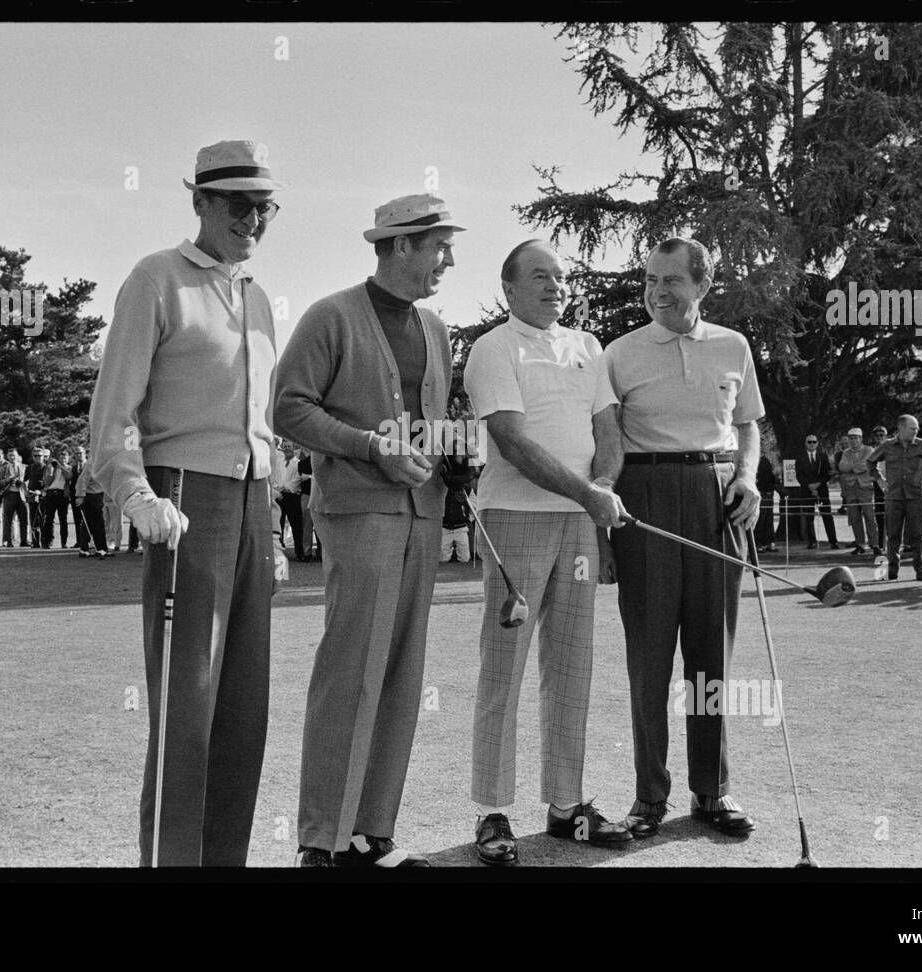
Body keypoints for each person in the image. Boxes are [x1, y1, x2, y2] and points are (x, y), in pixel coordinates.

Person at [88, 139, 286, 867]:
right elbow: (114, 410)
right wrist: (133, 491)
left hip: (253, 504)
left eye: (264, 205)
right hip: (182, 502)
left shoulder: (258, 295)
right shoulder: (156, 280)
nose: (252, 218)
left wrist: (271, 526)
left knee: (243, 716)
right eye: (237, 203)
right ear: (199, 201)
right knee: (186, 713)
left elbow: (259, 424)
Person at [275, 192, 462, 868]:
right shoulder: (330, 317)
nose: (448, 257)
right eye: (439, 244)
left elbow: (429, 421)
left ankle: (370, 834)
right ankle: (320, 839)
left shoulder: (437, 328)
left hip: (423, 514)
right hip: (360, 515)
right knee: (350, 673)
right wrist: (368, 445)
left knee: (402, 675)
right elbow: (288, 407)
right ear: (400, 245)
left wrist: (454, 451)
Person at [462, 239, 630, 866]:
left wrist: (603, 489)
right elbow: (511, 441)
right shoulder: (493, 347)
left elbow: (607, 430)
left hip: (580, 523)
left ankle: (566, 805)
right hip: (515, 518)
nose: (555, 286)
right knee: (503, 665)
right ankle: (492, 809)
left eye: (560, 277)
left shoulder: (587, 347)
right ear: (509, 289)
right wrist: (590, 493)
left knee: (571, 666)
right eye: (539, 277)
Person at [604, 236, 764, 840]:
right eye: (649, 280)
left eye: (671, 280)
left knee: (709, 655)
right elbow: (607, 441)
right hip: (643, 500)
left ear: (702, 284)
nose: (657, 292)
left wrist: (746, 477)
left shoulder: (734, 345)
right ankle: (649, 797)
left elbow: (747, 425)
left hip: (716, 496)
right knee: (648, 654)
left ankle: (712, 792)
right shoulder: (619, 353)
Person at [867, 415, 922, 581]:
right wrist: (879, 479)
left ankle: (921, 570)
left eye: (917, 428)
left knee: (919, 535)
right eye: (912, 428)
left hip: (916, 496)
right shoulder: (887, 446)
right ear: (900, 428)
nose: (916, 431)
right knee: (893, 535)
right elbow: (870, 462)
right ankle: (892, 570)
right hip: (894, 497)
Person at [837, 427, 882, 556]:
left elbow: (867, 465)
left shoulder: (869, 450)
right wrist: (855, 467)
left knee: (869, 516)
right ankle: (860, 544)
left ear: (861, 438)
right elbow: (842, 467)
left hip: (865, 487)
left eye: (855, 438)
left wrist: (852, 467)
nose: (853, 441)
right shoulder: (846, 452)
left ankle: (874, 544)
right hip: (851, 488)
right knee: (854, 517)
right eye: (851, 438)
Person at [795, 433, 839, 549]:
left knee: (827, 516)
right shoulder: (800, 457)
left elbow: (827, 473)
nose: (812, 444)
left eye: (814, 442)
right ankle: (812, 542)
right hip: (806, 491)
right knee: (809, 518)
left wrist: (818, 485)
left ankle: (833, 541)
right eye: (809, 442)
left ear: (817, 443)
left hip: (822, 490)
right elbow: (799, 475)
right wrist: (810, 486)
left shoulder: (823, 456)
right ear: (805, 443)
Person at [73, 456, 110, 558]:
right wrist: (80, 495)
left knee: (91, 523)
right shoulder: (93, 461)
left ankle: (89, 548)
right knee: (96, 523)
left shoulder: (104, 460)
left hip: (98, 495)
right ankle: (98, 549)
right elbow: (82, 479)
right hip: (92, 495)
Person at [0, 448, 29, 547]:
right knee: (7, 519)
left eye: (14, 455)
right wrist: (8, 480)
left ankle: (24, 540)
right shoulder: (3, 468)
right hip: (9, 495)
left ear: (17, 456)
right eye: (10, 456)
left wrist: (22, 483)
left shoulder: (24, 467)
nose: (12, 457)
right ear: (7, 457)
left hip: (21, 495)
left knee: (24, 519)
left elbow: (29, 481)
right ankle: (8, 541)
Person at [41, 450, 73, 549]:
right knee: (49, 519)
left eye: (65, 457)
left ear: (68, 459)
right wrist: (51, 470)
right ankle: (47, 541)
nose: (63, 459)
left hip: (62, 495)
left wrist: (60, 466)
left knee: (63, 519)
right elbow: (47, 482)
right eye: (61, 457)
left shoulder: (69, 468)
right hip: (51, 494)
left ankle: (64, 542)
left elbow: (69, 476)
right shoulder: (51, 467)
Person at [869, 425, 889, 542]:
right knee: (879, 512)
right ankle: (881, 540)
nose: (879, 437)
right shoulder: (872, 450)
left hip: (891, 482)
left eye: (881, 435)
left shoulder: (891, 448)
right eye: (877, 435)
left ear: (885, 436)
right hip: (877, 483)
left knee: (893, 512)